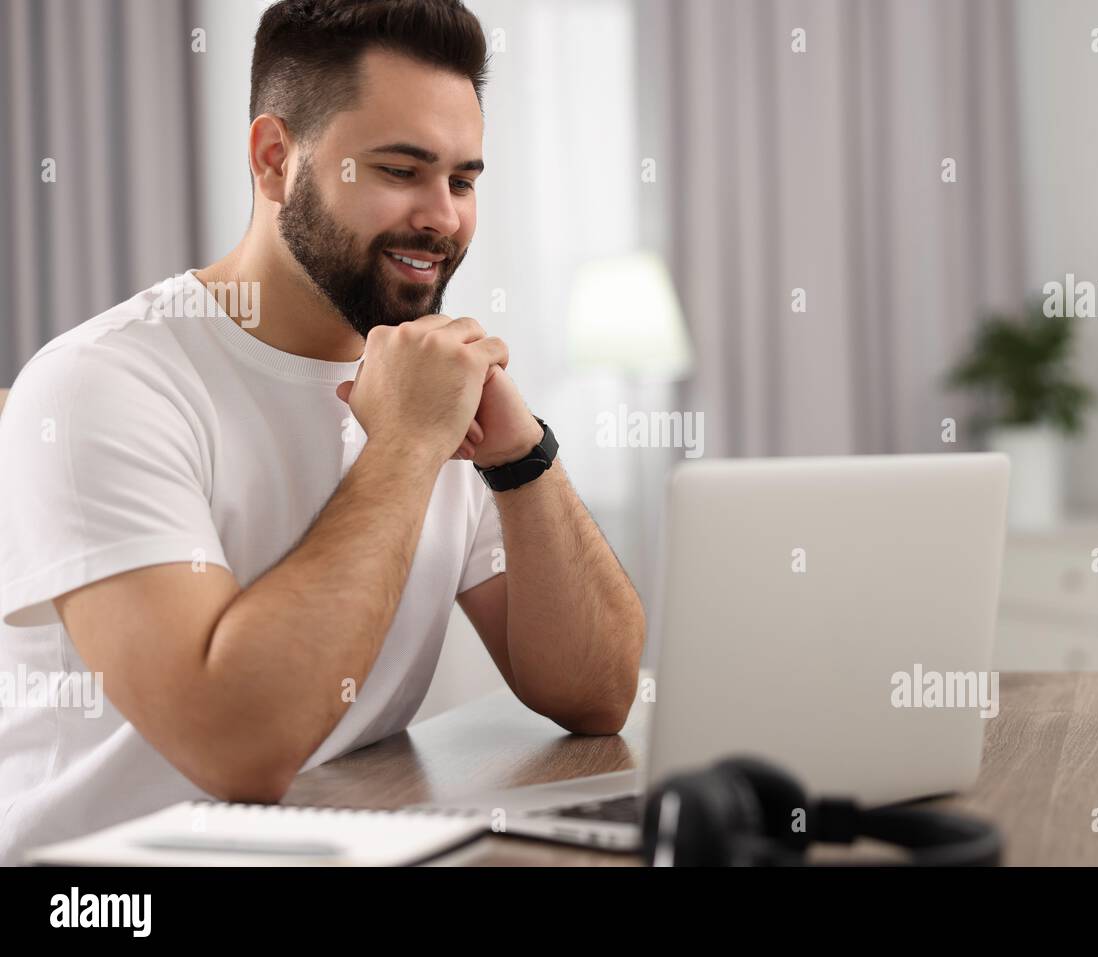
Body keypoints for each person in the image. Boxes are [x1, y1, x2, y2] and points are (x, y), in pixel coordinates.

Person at [0, 0, 644, 866]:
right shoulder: (101, 385)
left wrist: (522, 455)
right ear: (275, 159)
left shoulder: (431, 379)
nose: (444, 218)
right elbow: (239, 749)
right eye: (400, 170)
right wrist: (408, 445)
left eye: (462, 180)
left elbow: (596, 692)